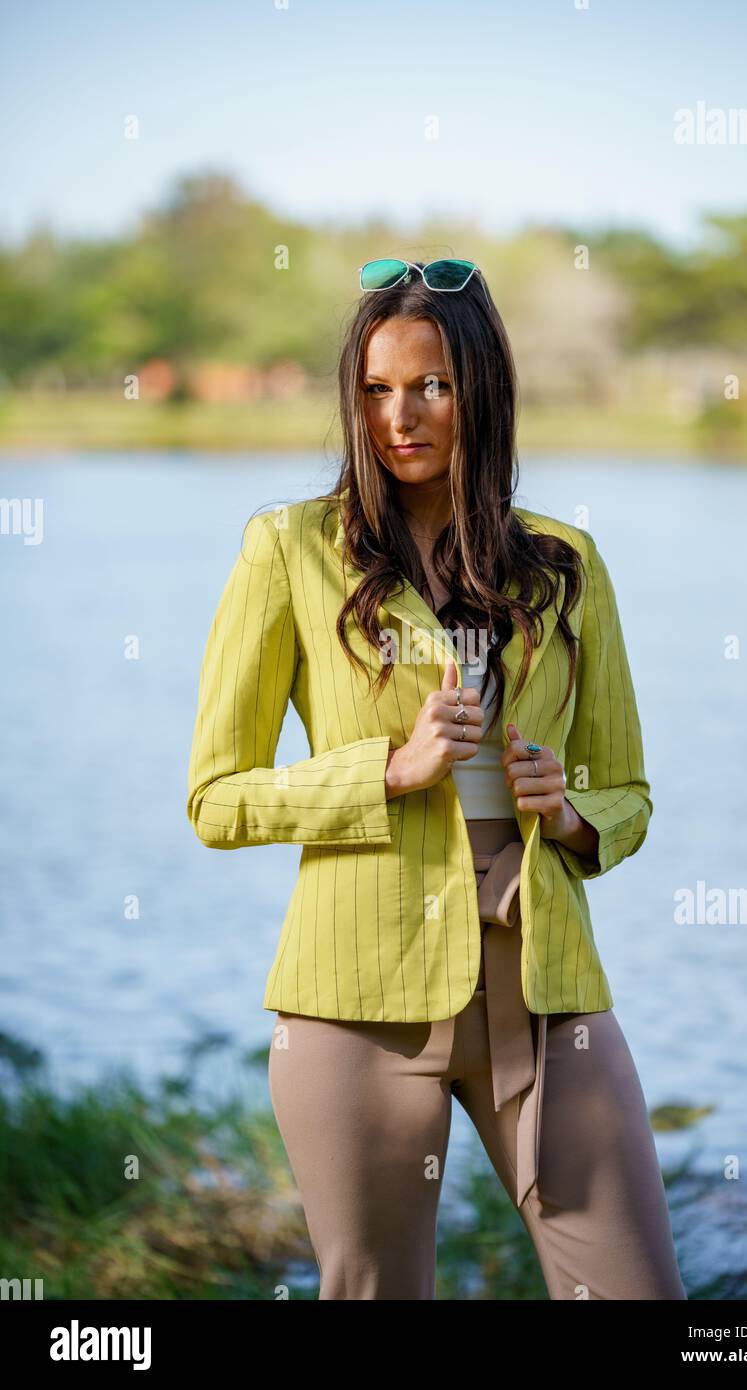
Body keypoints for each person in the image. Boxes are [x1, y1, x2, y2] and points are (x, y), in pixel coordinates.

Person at [186, 256, 687, 1301]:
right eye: (374, 389)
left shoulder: (565, 563)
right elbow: (216, 797)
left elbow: (628, 791)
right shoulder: (288, 550)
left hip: (545, 991)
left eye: (431, 387)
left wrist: (573, 809)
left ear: (482, 392)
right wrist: (387, 767)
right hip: (354, 998)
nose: (398, 416)